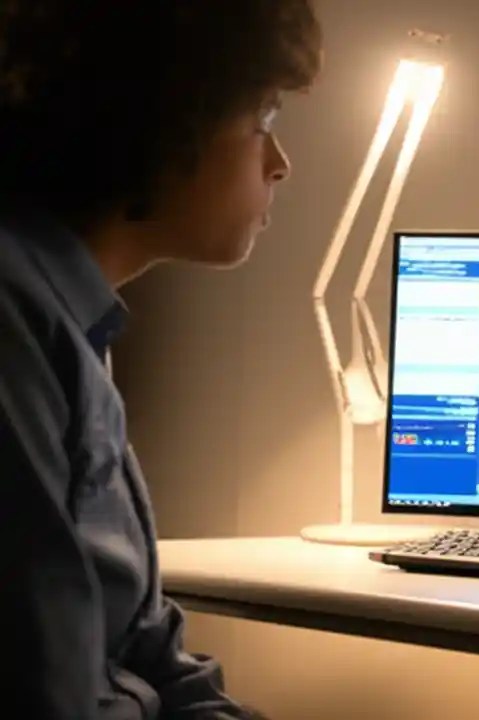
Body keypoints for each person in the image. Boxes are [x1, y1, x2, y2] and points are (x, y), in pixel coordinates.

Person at [0, 1, 322, 718]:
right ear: (167, 122)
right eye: (262, 120)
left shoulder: (75, 328)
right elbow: (45, 691)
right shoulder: (14, 327)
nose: (280, 164)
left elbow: (153, 657)